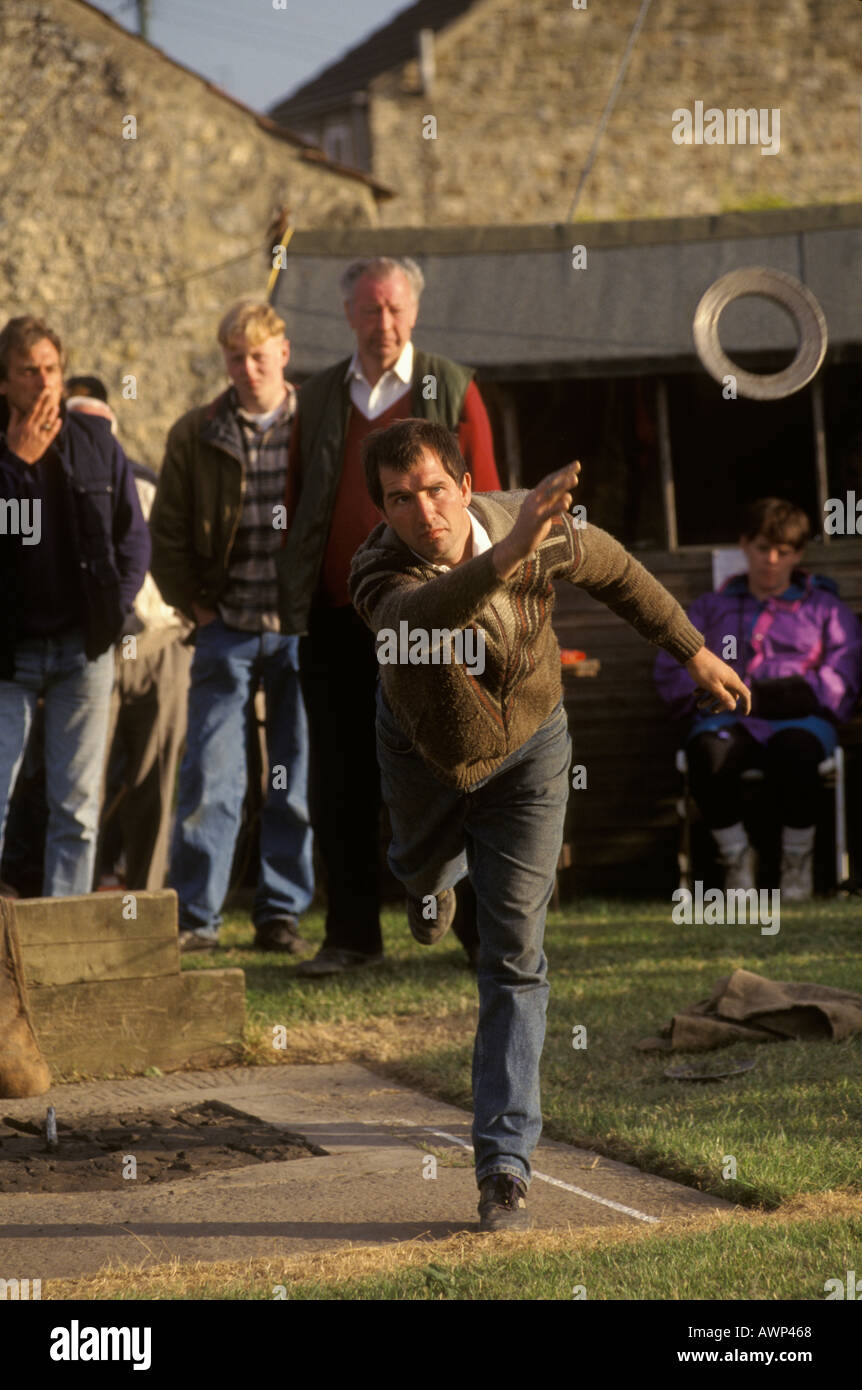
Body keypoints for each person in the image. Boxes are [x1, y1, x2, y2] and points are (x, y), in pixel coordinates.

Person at [348, 417, 749, 1231]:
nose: (422, 510)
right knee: (421, 880)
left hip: (530, 753)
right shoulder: (378, 573)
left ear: (465, 485)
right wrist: (506, 556)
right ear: (382, 512)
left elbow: (620, 571)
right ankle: (430, 885)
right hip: (425, 762)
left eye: (434, 489)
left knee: (515, 956)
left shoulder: (534, 528)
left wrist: (692, 648)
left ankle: (504, 1168)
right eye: (399, 499)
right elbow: (423, 619)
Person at [278, 256, 502, 976]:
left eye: (396, 310)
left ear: (414, 313)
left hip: (435, 615)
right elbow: (299, 504)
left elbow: (491, 499)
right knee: (338, 778)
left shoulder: (454, 385)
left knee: (451, 768)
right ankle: (350, 936)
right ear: (348, 314)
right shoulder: (314, 398)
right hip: (338, 616)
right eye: (370, 310)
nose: (384, 324)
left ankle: (478, 937)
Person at [150, 300, 313, 952]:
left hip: (300, 627)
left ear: (284, 352)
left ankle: (281, 914)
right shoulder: (197, 432)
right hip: (227, 625)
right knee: (211, 778)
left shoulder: (318, 424)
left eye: (257, 354)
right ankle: (198, 920)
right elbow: (165, 535)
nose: (247, 368)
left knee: (294, 776)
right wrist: (197, 608)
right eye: (234, 357)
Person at [0, 315, 150, 897]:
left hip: (81, 649)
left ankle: (65, 944)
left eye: (51, 370)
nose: (42, 384)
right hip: (7, 657)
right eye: (27, 372)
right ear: (4, 383)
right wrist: (17, 467)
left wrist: (112, 609)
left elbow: (132, 538)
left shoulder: (95, 442)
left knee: (78, 809)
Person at [655, 497, 862, 900]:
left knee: (798, 754)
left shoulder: (826, 609)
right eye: (762, 548)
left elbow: (845, 671)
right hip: (727, 719)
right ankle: (737, 861)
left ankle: (796, 866)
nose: (770, 560)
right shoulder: (710, 607)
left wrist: (794, 694)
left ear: (797, 554)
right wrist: (706, 694)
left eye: (782, 552)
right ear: (744, 546)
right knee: (707, 755)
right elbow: (675, 665)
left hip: (800, 720)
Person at [63, 379, 193, 893]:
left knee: (154, 778)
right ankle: (72, 898)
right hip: (91, 646)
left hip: (159, 640)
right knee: (80, 780)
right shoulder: (47, 488)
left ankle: (147, 900)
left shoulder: (146, 482)